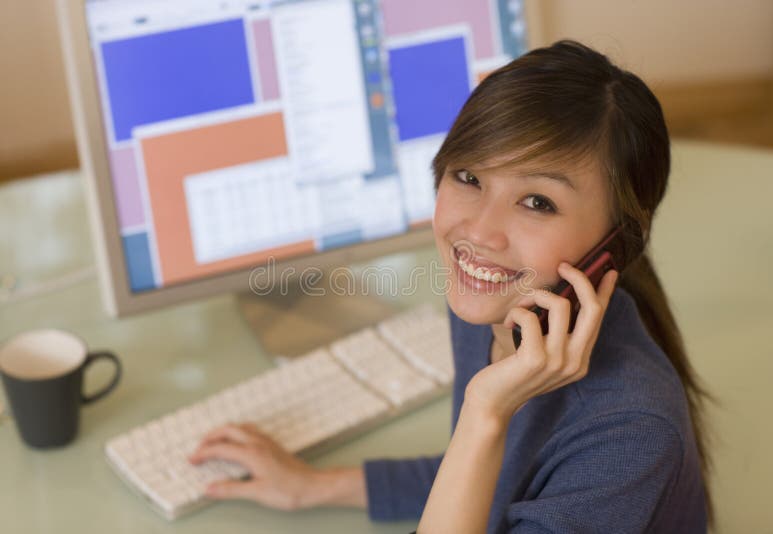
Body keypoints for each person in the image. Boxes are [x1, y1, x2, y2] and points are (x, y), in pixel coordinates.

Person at [189, 40, 715, 533]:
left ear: (615, 246)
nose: (480, 233)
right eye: (469, 177)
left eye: (538, 202)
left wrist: (486, 408)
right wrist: (313, 487)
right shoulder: (498, 309)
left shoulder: (630, 434)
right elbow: (493, 477)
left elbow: (488, 459)